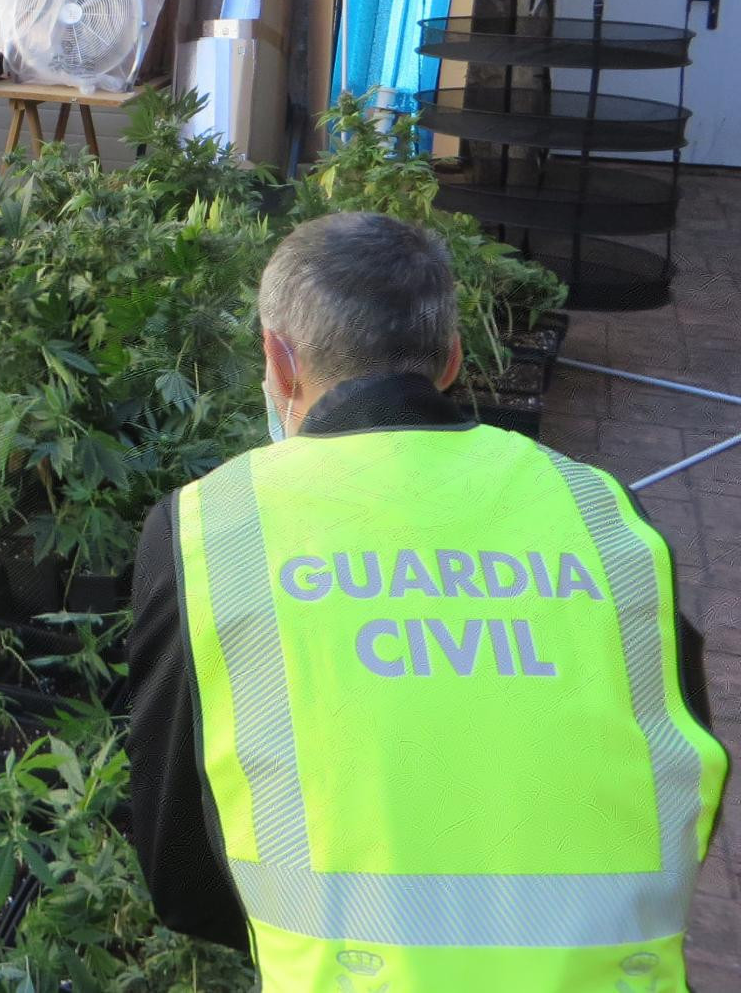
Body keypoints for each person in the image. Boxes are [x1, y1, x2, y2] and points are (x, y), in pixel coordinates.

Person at [126, 211, 727, 991]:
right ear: (451, 359)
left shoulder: (216, 527)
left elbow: (180, 872)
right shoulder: (600, 512)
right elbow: (685, 774)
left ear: (279, 360)